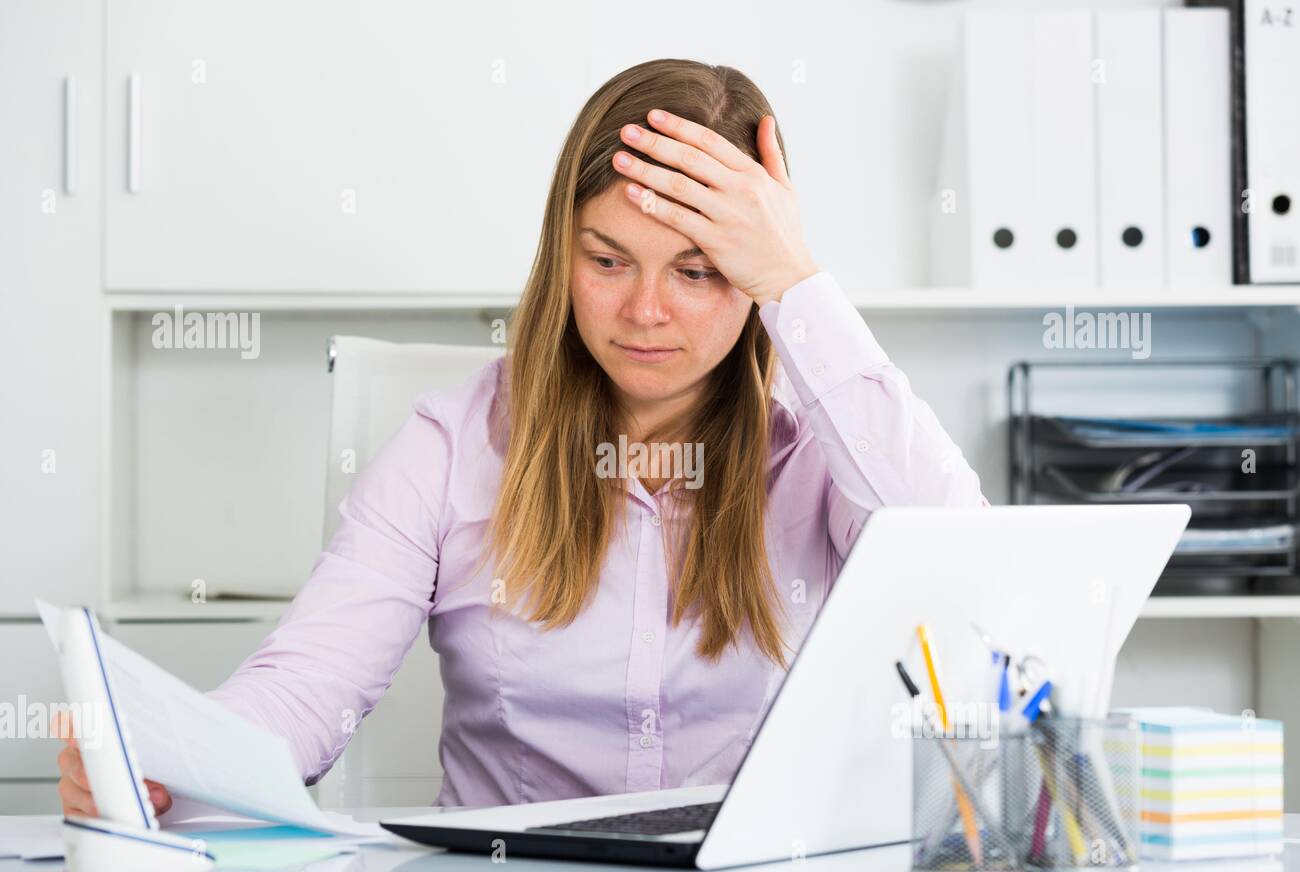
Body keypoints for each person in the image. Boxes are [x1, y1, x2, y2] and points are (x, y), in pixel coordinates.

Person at [58, 58, 986, 819]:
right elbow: (308, 684)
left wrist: (798, 282)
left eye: (701, 271)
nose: (646, 311)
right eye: (607, 259)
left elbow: (969, 576)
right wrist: (176, 760)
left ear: (754, 283)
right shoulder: (449, 445)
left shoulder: (831, 448)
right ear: (562, 251)